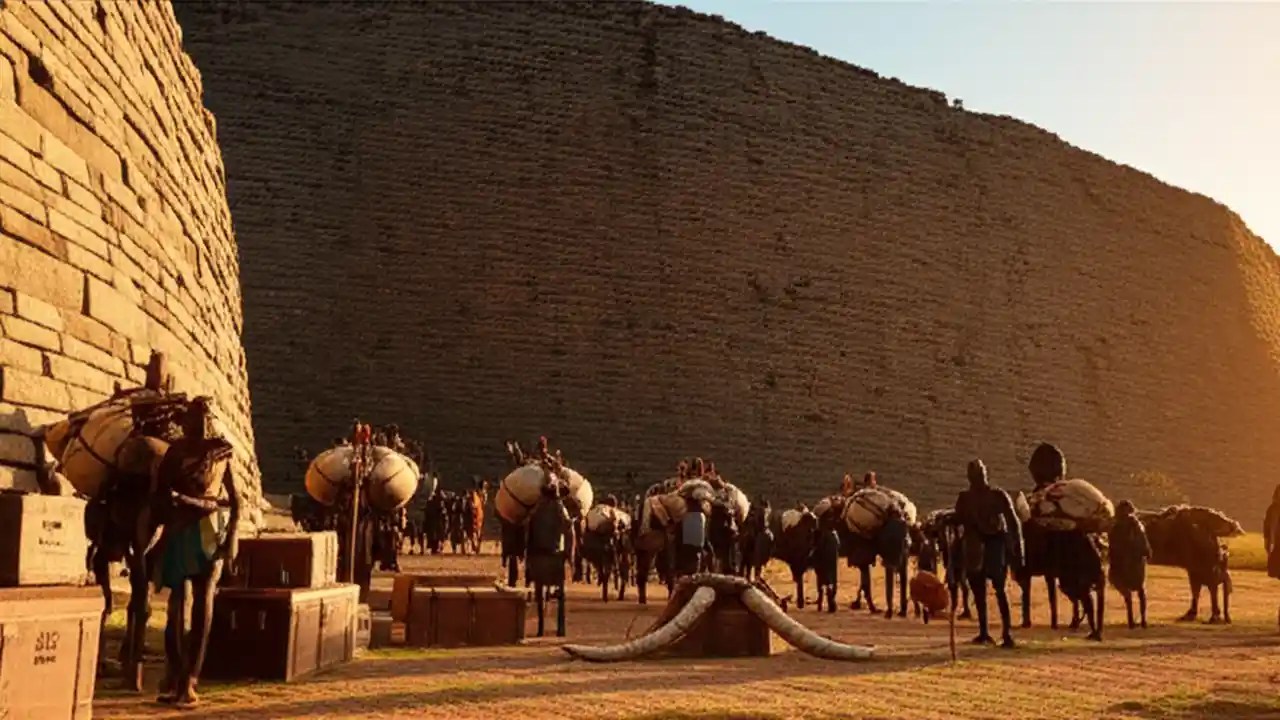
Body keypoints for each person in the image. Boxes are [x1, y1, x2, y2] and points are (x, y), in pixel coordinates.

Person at [152, 397, 240, 706]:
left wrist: (230, 541)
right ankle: (177, 676)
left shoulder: (221, 454)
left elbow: (236, 502)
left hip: (210, 532)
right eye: (196, 418)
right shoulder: (176, 453)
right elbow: (160, 494)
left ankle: (190, 680)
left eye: (205, 417)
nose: (201, 424)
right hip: (180, 532)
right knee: (178, 606)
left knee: (203, 605)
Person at [952, 458, 1023, 648]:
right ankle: (984, 631)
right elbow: (958, 521)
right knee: (979, 591)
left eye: (981, 472)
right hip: (975, 546)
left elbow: (1013, 521)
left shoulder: (997, 495)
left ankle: (1006, 632)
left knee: (999, 589)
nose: (980, 476)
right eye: (976, 473)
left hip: (995, 545)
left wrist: (1017, 546)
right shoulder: (965, 499)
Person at [1108, 500, 1152, 629]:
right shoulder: (1133, 526)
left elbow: (1113, 545)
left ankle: (1136, 620)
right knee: (1138, 590)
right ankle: (1139, 619)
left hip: (1130, 561)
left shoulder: (1129, 526)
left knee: (1133, 591)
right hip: (1131, 561)